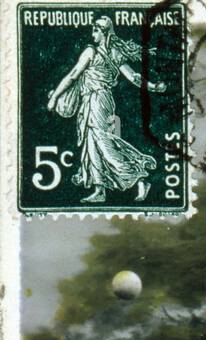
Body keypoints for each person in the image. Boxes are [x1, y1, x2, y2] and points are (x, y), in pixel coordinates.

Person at [46, 16, 165, 204]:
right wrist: (152, 86)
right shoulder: (114, 52)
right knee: (92, 143)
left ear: (104, 32)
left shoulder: (91, 52)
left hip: (98, 100)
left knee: (103, 142)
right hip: (94, 100)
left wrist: (54, 98)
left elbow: (72, 76)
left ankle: (139, 178)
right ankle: (99, 189)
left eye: (95, 30)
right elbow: (133, 77)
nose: (92, 34)